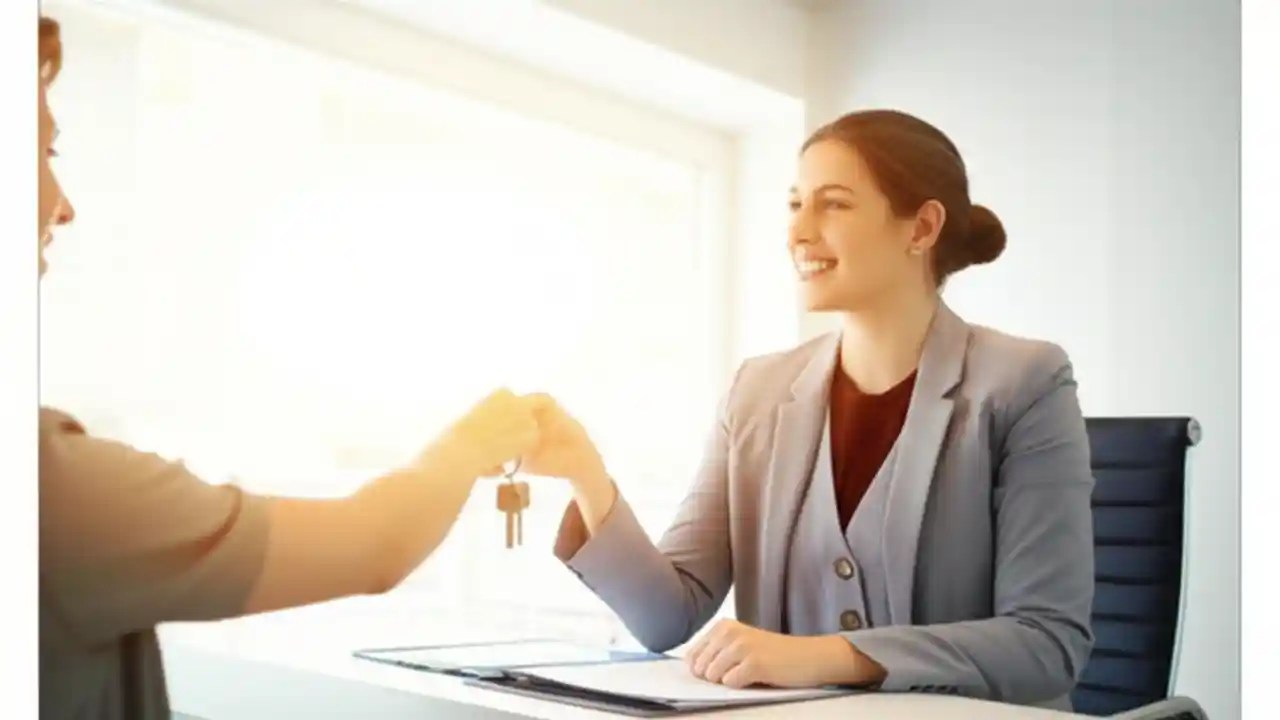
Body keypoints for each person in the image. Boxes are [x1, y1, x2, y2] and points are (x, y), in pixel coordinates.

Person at [37, 17, 545, 720]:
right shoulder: (44, 487)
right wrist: (472, 444)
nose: (64, 206)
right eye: (46, 148)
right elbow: (375, 545)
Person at [523, 109, 1096, 711]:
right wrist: (583, 472)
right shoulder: (757, 392)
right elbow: (668, 615)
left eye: (834, 204)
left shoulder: (1026, 382)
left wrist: (821, 656)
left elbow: (1046, 644)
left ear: (922, 227)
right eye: (795, 205)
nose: (799, 231)